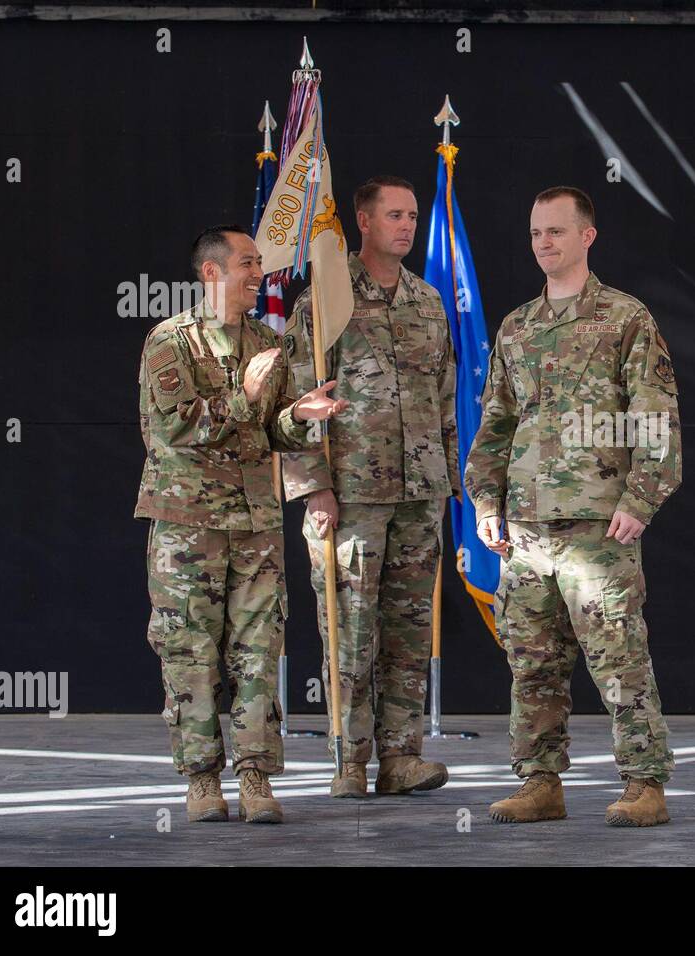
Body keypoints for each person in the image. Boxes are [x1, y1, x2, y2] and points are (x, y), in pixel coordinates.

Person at [465, 186, 682, 827]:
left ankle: (645, 784)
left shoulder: (625, 318)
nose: (543, 243)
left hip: (597, 522)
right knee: (531, 663)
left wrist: (643, 497)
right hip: (525, 528)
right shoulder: (516, 327)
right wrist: (485, 502)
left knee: (618, 658)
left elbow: (656, 417)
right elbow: (496, 424)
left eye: (556, 232)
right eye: (536, 233)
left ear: (588, 235)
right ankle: (540, 782)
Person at [137, 225, 346, 824]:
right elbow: (179, 428)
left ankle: (256, 775)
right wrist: (246, 397)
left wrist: (301, 417)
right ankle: (202, 780)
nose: (260, 275)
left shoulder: (265, 341)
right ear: (212, 272)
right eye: (249, 264)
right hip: (188, 526)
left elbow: (271, 431)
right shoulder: (170, 342)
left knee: (259, 652)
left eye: (259, 264)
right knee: (190, 653)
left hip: (255, 525)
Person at [282, 177, 460, 798]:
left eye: (412, 216)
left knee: (410, 631)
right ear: (362, 219)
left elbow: (444, 400)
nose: (407, 226)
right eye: (394, 215)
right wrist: (313, 487)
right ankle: (349, 761)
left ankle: (402, 757)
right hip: (350, 494)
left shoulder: (428, 302)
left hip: (419, 492)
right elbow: (296, 398)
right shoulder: (325, 301)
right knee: (352, 630)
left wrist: (449, 478)